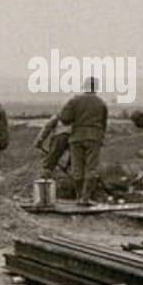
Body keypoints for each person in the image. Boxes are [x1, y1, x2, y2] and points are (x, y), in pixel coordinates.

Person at [56, 76, 109, 205]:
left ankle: (79, 197)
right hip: (94, 138)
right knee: (91, 168)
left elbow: (64, 118)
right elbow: (104, 123)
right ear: (96, 88)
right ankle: (86, 198)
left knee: (77, 168)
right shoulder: (101, 103)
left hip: (76, 137)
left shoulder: (74, 101)